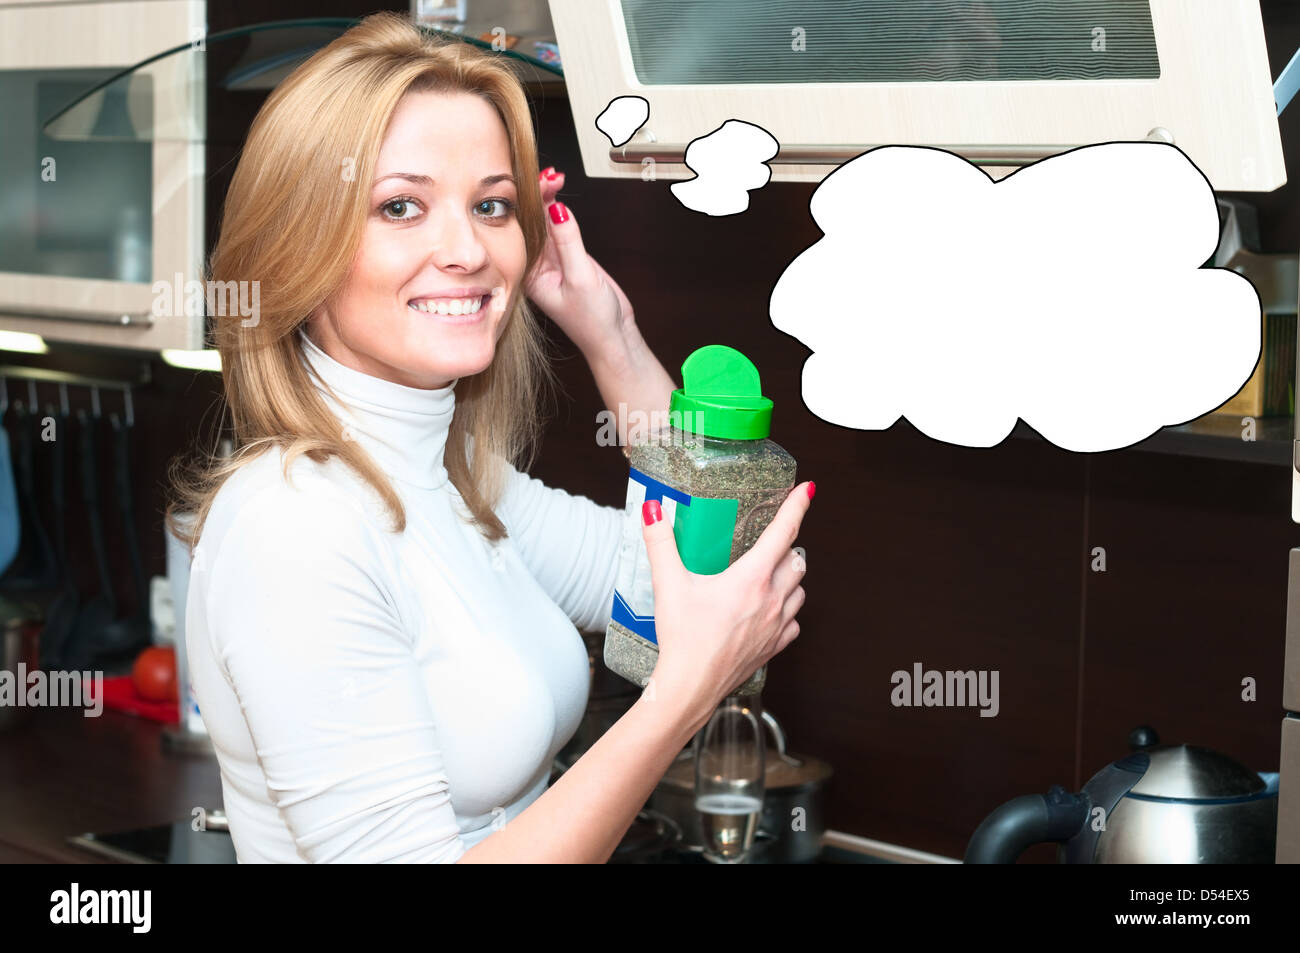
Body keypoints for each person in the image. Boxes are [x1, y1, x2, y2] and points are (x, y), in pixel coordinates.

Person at [166, 11, 812, 863]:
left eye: (492, 206)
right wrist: (678, 700)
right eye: (402, 206)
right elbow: (691, 649)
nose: (467, 248)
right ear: (297, 248)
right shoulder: (295, 525)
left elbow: (695, 583)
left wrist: (609, 337)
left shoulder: (462, 480)